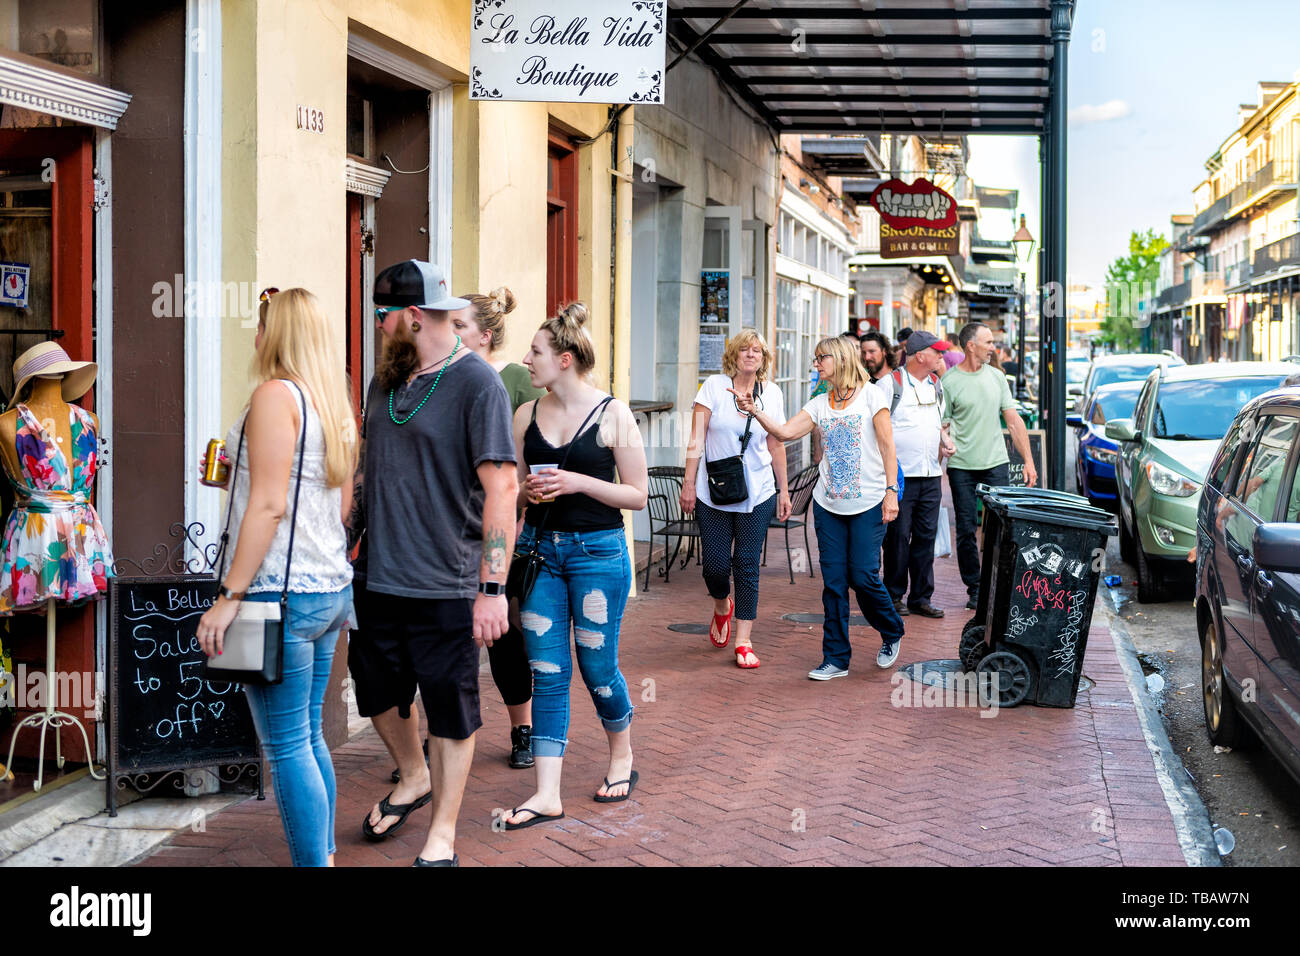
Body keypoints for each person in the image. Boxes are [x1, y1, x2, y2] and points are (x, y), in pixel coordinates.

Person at [349, 259, 517, 867]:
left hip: (447, 579)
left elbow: (502, 488)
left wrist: (492, 587)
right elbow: (370, 470)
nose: (377, 328)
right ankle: (413, 774)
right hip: (378, 575)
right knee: (375, 689)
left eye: (382, 317)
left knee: (449, 705)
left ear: (413, 317)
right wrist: (349, 538)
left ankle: (442, 831)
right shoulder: (385, 381)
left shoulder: (479, 384)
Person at [196, 288, 357, 867]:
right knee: (310, 738)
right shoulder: (331, 403)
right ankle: (327, 856)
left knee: (287, 747)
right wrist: (232, 482)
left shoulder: (272, 396)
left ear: (278, 334)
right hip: (328, 591)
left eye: (260, 326)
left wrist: (226, 598)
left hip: (278, 596)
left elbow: (268, 508)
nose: (254, 336)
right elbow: (330, 508)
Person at [502, 303, 648, 830]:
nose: (526, 360)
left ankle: (622, 758)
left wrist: (579, 482)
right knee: (547, 672)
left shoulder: (614, 414)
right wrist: (526, 491)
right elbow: (512, 496)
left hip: (598, 556)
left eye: (535, 352)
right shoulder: (525, 416)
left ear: (564, 359)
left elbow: (637, 494)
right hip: (541, 555)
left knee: (597, 667)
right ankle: (545, 794)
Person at [732, 335, 904, 679]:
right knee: (835, 582)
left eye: (819, 358)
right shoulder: (820, 402)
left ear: (838, 359)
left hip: (869, 501)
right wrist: (754, 410)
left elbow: (888, 446)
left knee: (864, 576)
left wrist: (890, 491)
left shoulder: (872, 395)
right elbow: (783, 433)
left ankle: (891, 630)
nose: (816, 365)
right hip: (828, 505)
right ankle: (836, 658)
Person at [450, 287, 540, 769]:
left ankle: (522, 727)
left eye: (459, 325)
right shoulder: (434, 379)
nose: (448, 332)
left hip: (499, 529)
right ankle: (446, 732)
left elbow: (530, 458)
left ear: (484, 335)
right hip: (448, 532)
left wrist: (520, 509)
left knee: (506, 637)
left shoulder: (515, 382)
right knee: (448, 637)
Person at [680, 329, 791, 669]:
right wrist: (687, 482)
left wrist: (784, 489)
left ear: (764, 358)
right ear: (733, 355)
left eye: (757, 350)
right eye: (745, 349)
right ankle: (721, 605)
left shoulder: (771, 393)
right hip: (712, 491)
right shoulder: (713, 387)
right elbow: (697, 437)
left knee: (746, 565)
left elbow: (776, 443)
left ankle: (743, 640)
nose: (751, 355)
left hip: (757, 491)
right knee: (714, 566)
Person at [943, 321, 1038, 611]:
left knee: (1000, 527)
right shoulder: (949, 382)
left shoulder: (997, 377)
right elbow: (941, 425)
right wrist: (941, 447)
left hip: (995, 462)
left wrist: (1028, 461)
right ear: (970, 346)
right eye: (987, 343)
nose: (993, 348)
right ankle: (975, 587)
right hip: (961, 465)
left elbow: (1013, 421)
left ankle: (999, 582)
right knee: (966, 528)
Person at [877, 331, 956, 620]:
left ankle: (921, 597)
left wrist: (944, 441)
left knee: (926, 537)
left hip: (931, 474)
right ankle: (894, 595)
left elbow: (938, 425)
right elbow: (878, 429)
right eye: (937, 352)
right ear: (920, 355)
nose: (942, 356)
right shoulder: (890, 384)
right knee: (898, 537)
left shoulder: (937, 384)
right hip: (900, 477)